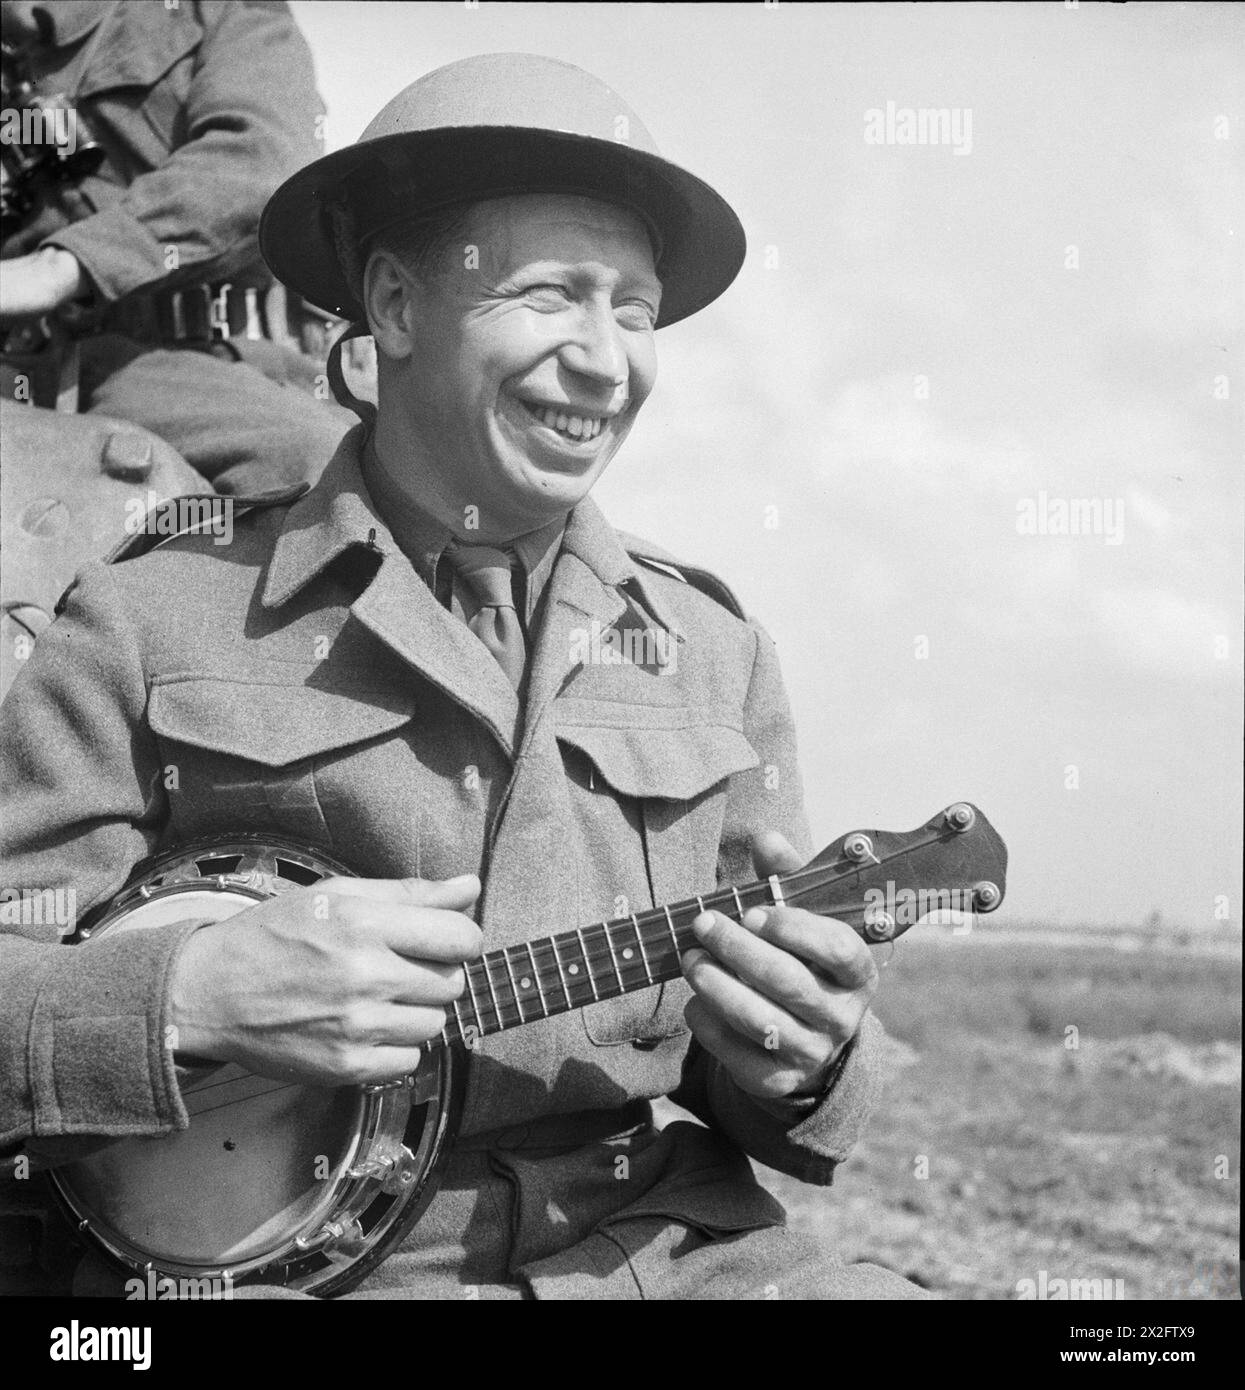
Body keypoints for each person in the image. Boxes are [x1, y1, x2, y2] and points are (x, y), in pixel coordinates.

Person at [0, 52, 925, 1300]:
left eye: (637, 310)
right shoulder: (155, 609)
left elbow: (775, 1074)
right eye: (554, 297)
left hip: (664, 1255)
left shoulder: (713, 650)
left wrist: (801, 1058)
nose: (609, 362)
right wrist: (186, 994)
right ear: (393, 302)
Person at [0, 0, 352, 494]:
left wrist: (60, 268)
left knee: (322, 480)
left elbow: (259, 167)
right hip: (19, 369)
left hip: (180, 361)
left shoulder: (216, 11)